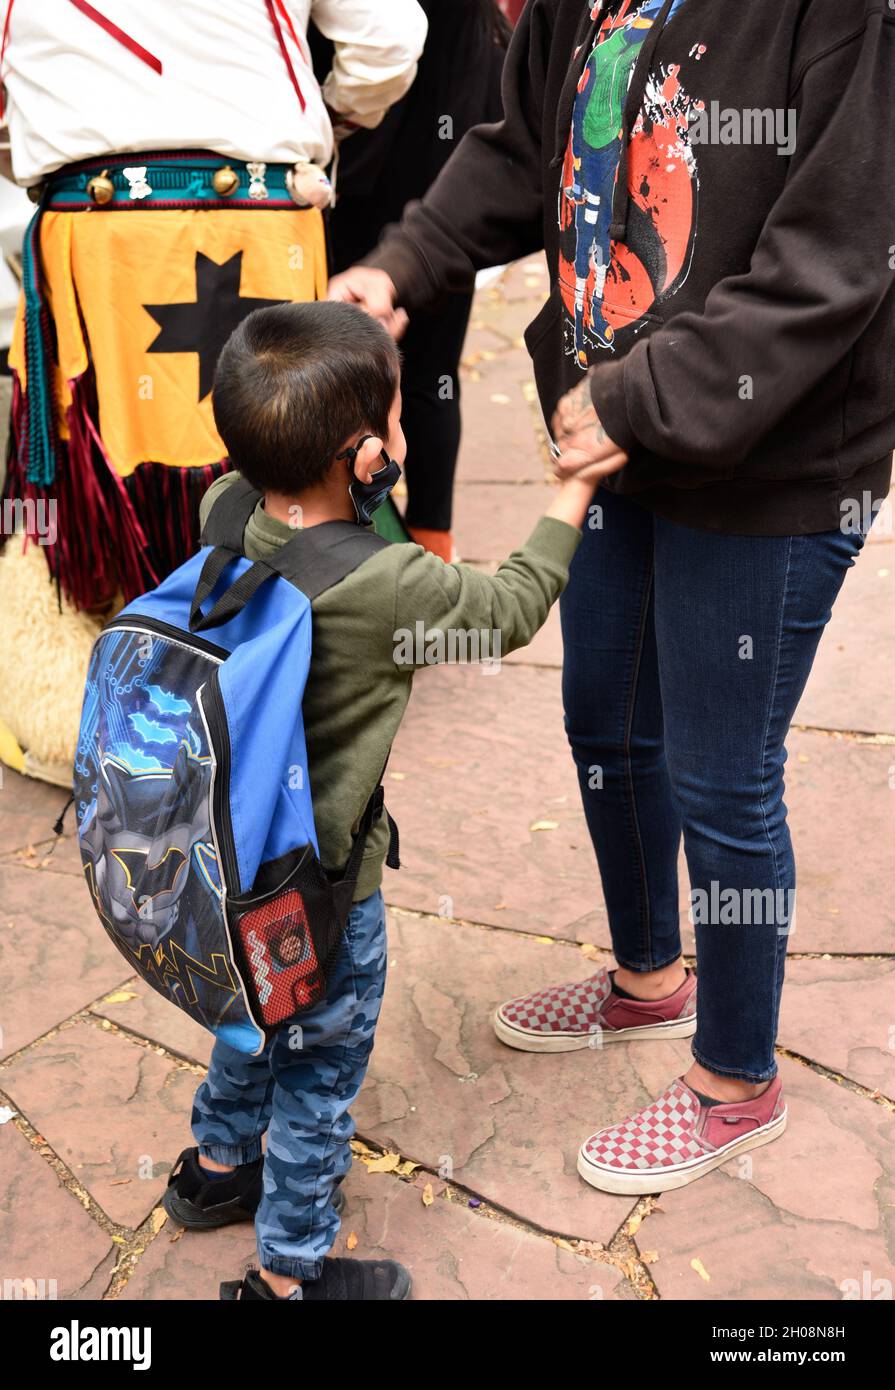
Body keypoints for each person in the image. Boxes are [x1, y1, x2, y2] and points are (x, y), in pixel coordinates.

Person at [328, 0, 895, 1193]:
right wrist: (400, 266)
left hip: (769, 467)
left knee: (722, 775)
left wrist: (634, 401)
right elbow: (516, 147)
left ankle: (736, 1080)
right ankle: (648, 977)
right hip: (616, 441)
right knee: (605, 721)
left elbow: (836, 256)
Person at [163, 299, 604, 1300]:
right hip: (322, 890)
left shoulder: (224, 508)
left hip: (225, 870)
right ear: (366, 459)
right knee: (318, 1076)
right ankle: (289, 1274)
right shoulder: (390, 585)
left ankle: (216, 1169)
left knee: (249, 1023)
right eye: (397, 421)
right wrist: (572, 489)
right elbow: (509, 608)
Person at [0, 0, 426, 782]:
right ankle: (296, 688)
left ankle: (123, 719)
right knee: (287, 451)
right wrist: (311, 113)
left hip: (99, 228)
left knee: (108, 477)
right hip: (263, 207)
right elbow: (388, 39)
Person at [317, 0, 510, 560]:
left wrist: (322, 126)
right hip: (457, 176)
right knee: (431, 376)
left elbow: (380, 51)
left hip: (367, 175)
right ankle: (429, 550)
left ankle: (348, 548)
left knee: (338, 369)